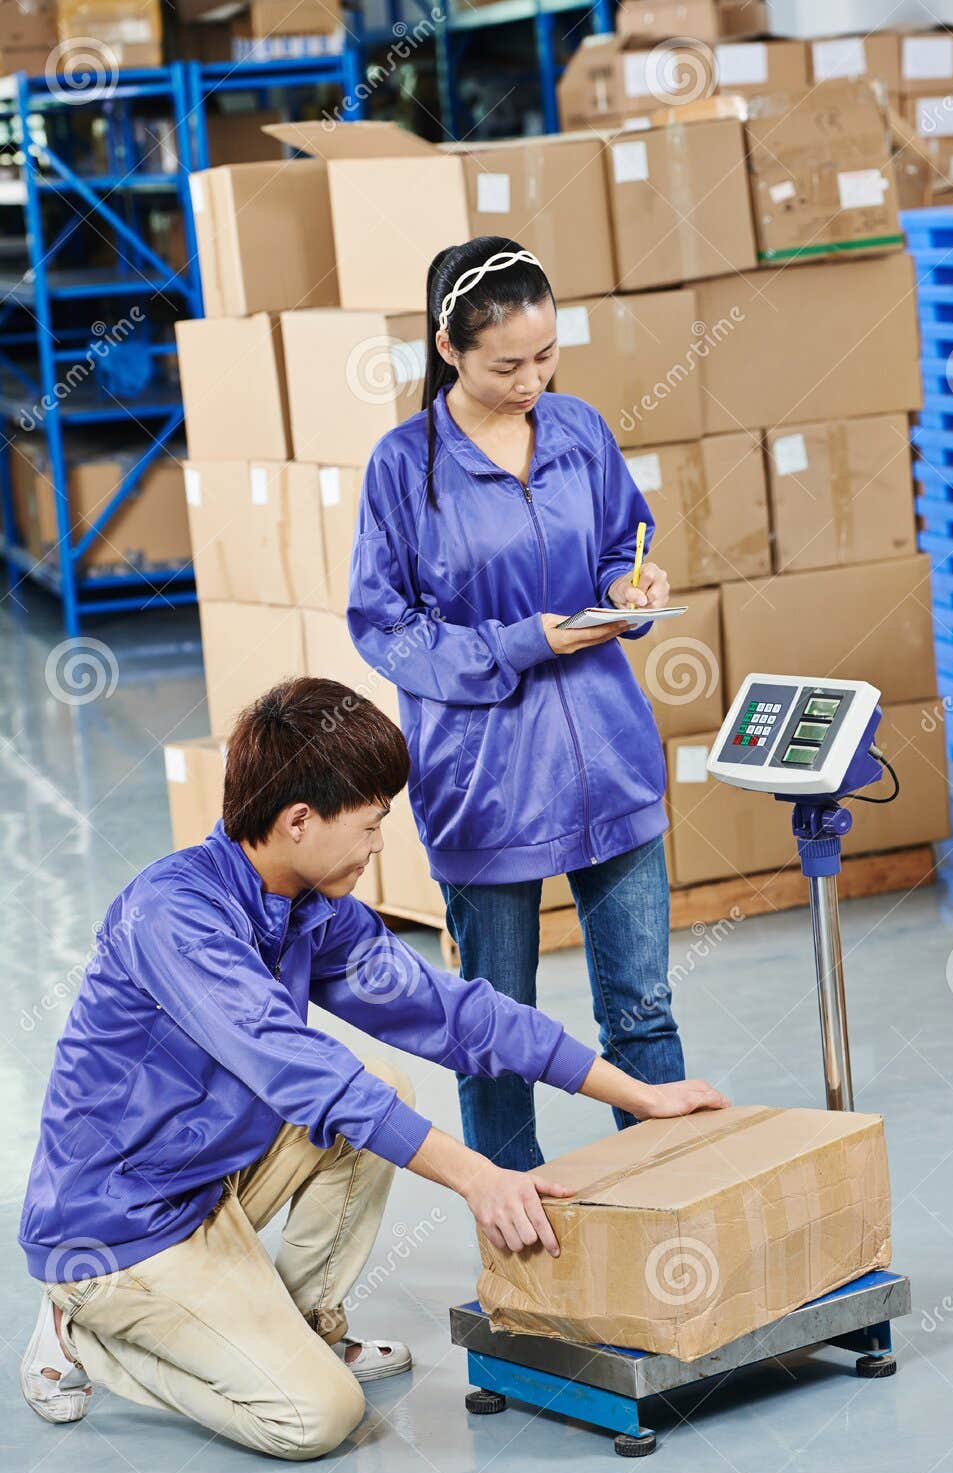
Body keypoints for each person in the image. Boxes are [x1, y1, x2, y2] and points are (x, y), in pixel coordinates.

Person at [18, 679, 727, 1461]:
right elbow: (306, 1075)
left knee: (383, 1094)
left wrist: (640, 1093)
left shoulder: (307, 909)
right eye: (371, 822)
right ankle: (82, 1331)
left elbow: (453, 1014)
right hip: (119, 1228)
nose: (379, 843)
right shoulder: (176, 917)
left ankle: (301, 1333)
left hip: (206, 1184)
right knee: (318, 1418)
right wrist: (477, 1177)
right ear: (298, 822)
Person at [349, 235, 687, 1174]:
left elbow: (625, 541)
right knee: (495, 1023)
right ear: (449, 348)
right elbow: (386, 629)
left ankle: (668, 1214)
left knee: (643, 1009)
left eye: (545, 356)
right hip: (486, 783)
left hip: (611, 765)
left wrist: (632, 587)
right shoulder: (404, 468)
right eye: (507, 364)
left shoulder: (578, 430)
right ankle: (521, 1247)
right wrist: (521, 642)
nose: (531, 379)